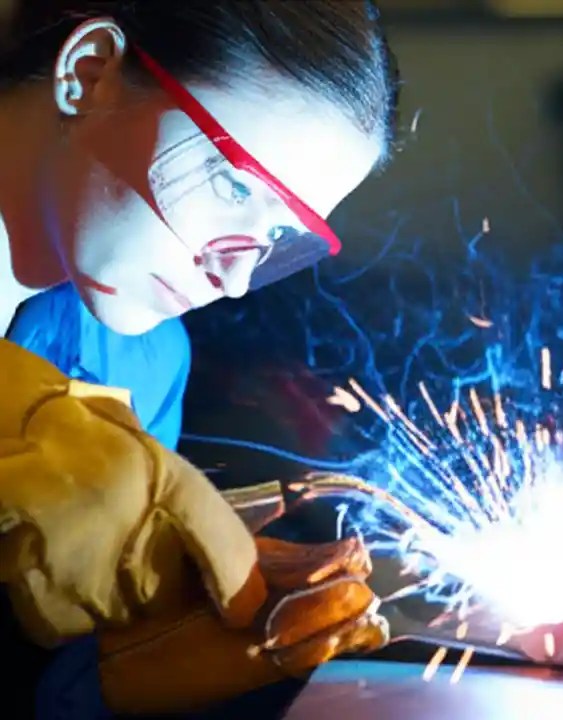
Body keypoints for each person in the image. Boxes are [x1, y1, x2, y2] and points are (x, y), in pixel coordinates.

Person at [0, 1, 400, 717]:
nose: (236, 277)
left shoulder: (144, 361)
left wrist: (112, 672)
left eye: (278, 233)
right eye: (235, 186)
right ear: (88, 73)